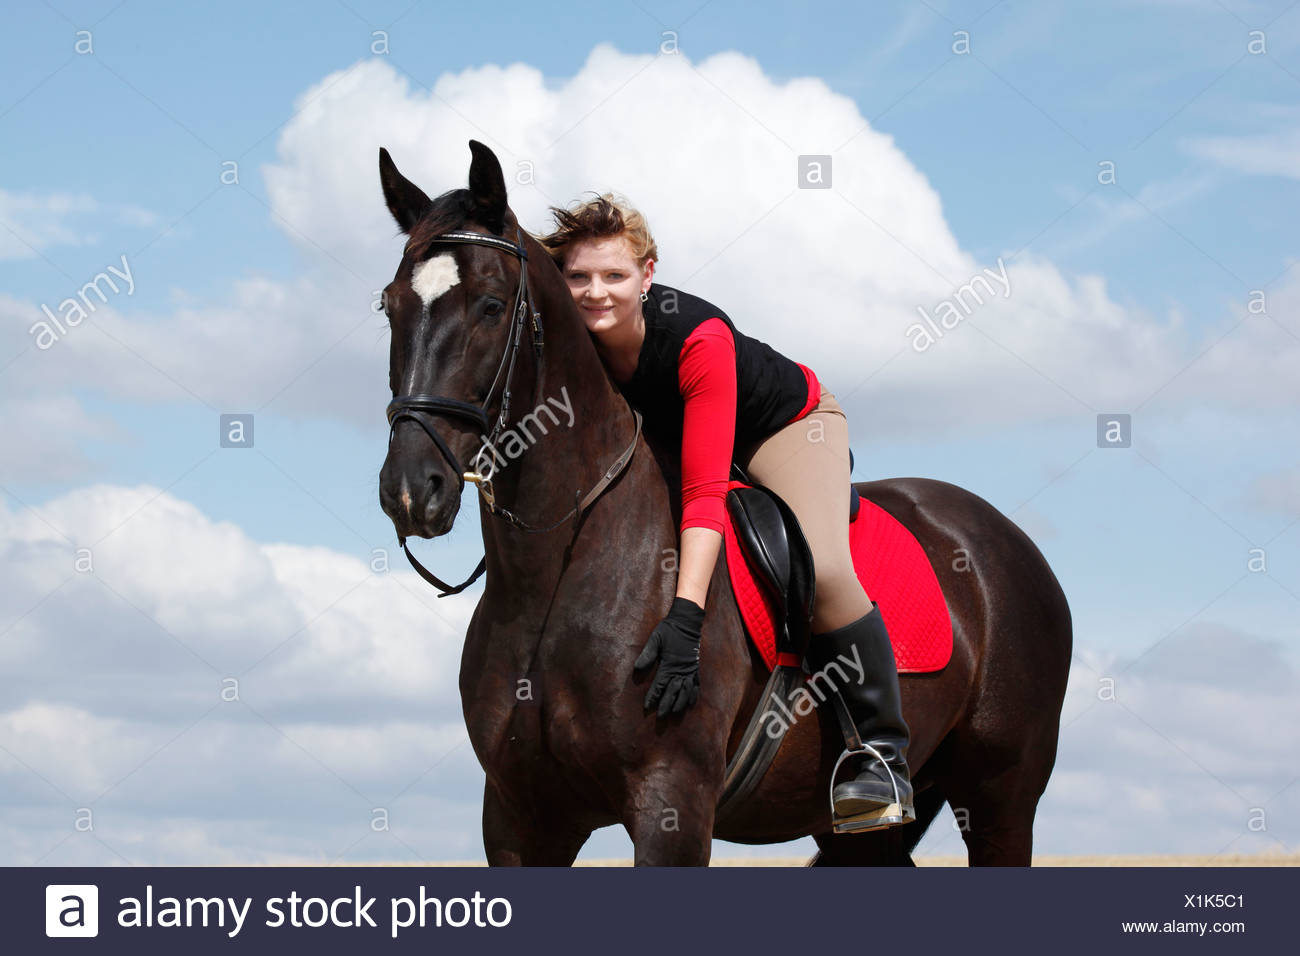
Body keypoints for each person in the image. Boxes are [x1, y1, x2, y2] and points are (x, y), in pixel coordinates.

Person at [538, 194, 913, 829]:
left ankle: (881, 754)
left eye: (614, 276)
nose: (595, 293)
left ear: (648, 274)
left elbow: (704, 491)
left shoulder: (699, 338)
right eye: (578, 277)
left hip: (783, 429)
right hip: (677, 433)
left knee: (822, 568)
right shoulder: (573, 339)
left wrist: (686, 618)